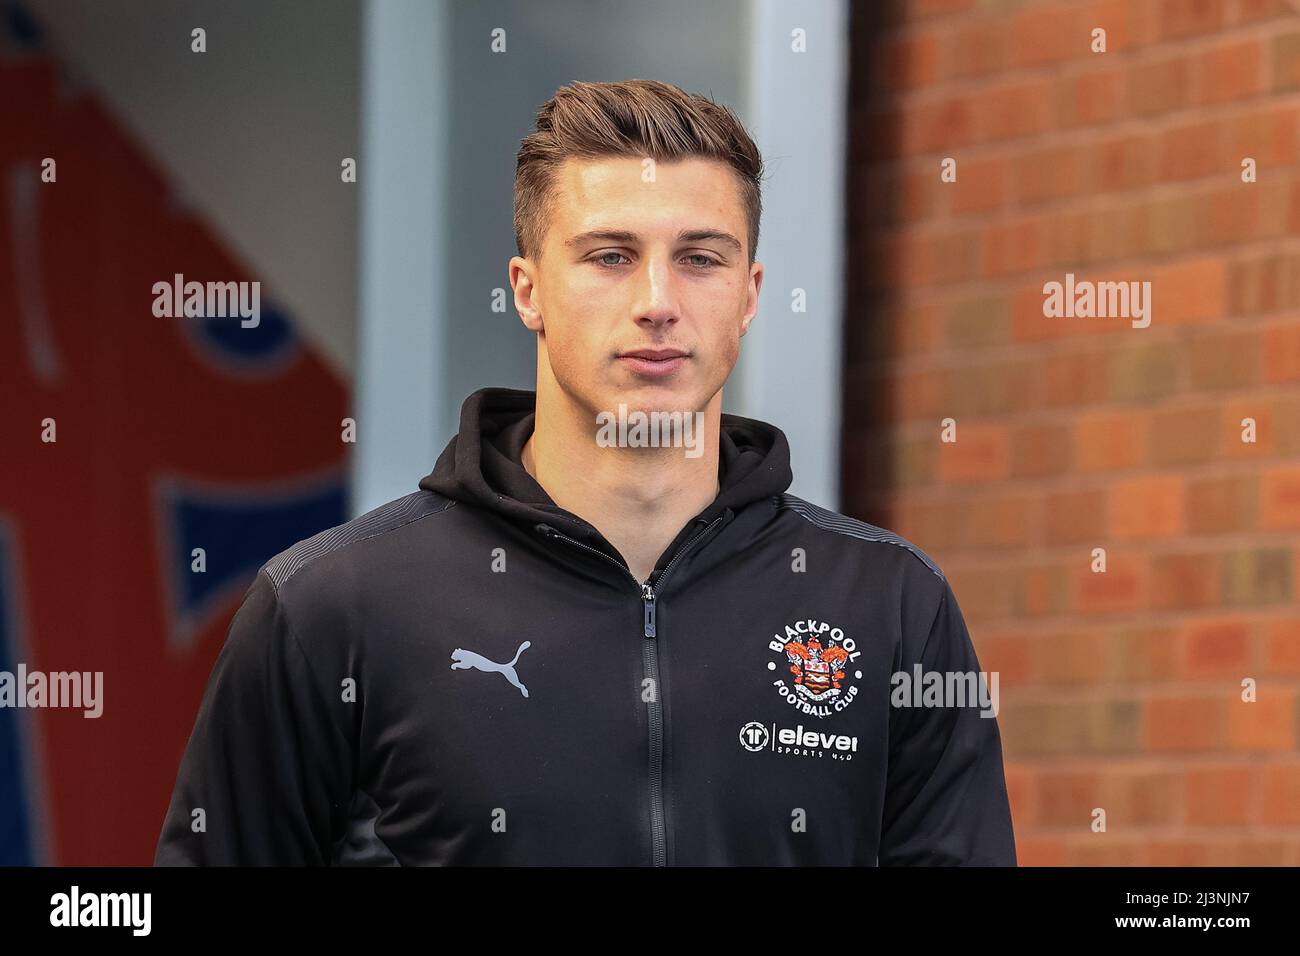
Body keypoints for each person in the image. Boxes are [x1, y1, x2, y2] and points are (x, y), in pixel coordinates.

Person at [154, 78, 1016, 866]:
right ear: (528, 290)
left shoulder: (890, 606)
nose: (656, 300)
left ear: (750, 295)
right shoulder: (330, 607)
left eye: (700, 257)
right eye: (610, 255)